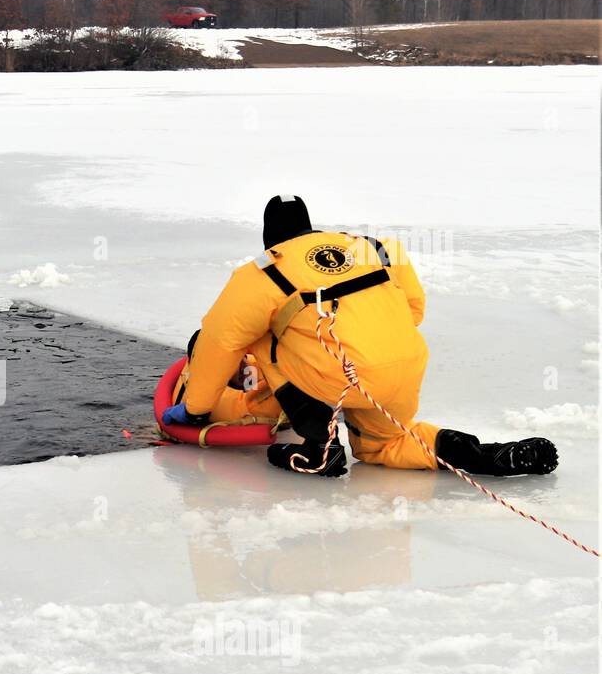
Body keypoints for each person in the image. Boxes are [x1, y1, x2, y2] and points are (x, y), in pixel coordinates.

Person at [163, 195, 557, 478]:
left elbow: (220, 344)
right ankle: (483, 457)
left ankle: (320, 447)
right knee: (383, 446)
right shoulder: (375, 247)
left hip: (333, 381)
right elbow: (414, 310)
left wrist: (195, 410)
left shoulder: (261, 275)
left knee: (259, 339)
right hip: (400, 368)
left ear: (270, 239)